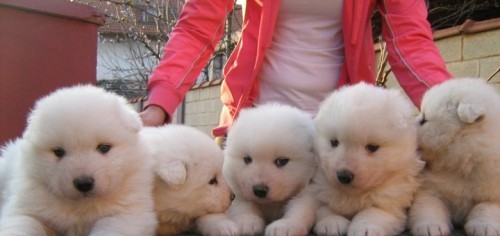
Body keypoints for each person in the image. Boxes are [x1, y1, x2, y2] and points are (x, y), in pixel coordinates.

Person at [140, 0, 452, 140]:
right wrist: (159, 103)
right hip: (252, 130)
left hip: (339, 137)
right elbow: (197, 28)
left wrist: (450, 107)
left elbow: (410, 40)